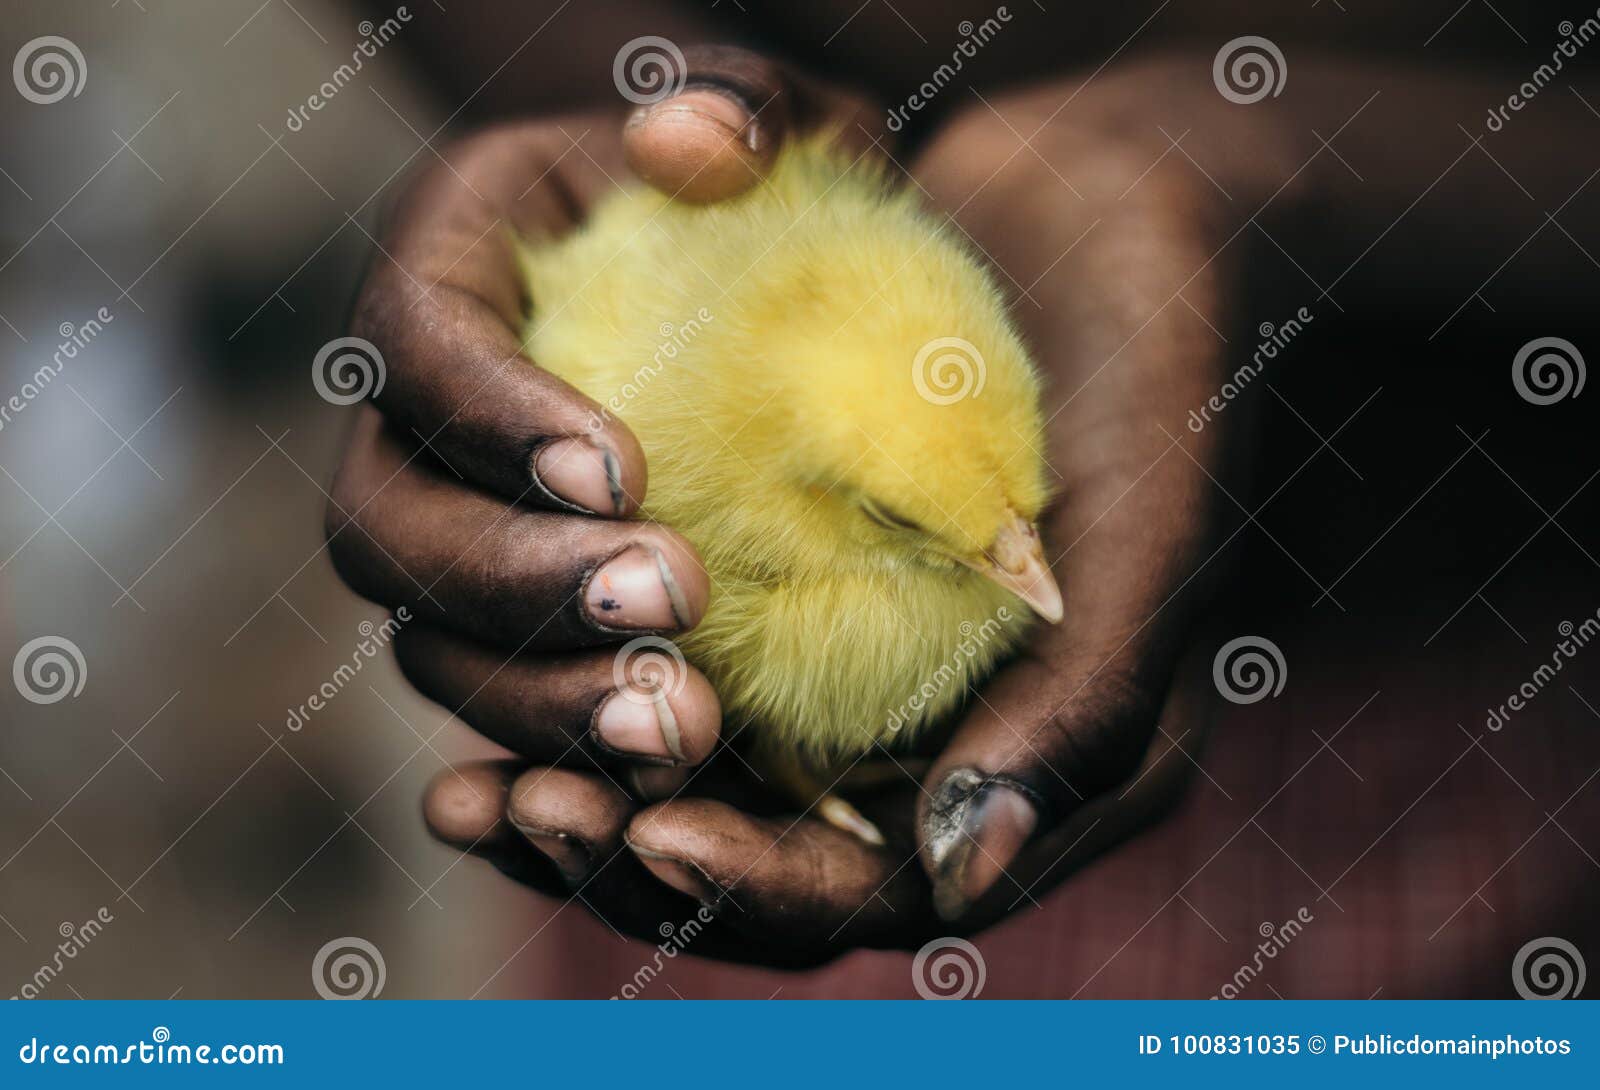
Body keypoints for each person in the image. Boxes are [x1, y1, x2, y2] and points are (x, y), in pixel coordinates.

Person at [327, 2, 1600, 982]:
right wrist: (651, 83)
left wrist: (1264, 162)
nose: (1025, 564)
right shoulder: (742, 513)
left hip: (1496, 686)